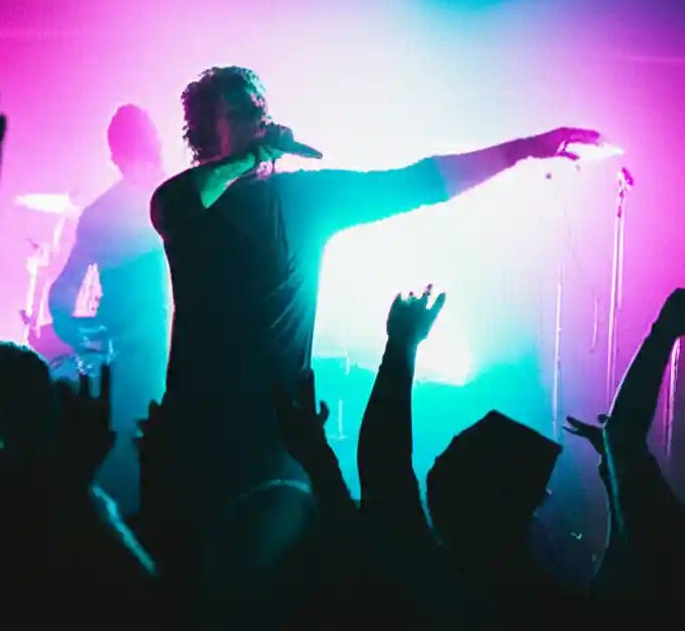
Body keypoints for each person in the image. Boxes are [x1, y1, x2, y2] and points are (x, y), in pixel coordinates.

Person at [150, 65, 600, 519]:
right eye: (241, 113)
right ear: (206, 132)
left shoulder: (305, 197)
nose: (259, 120)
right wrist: (250, 159)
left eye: (260, 109)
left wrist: (522, 150)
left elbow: (416, 183)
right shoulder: (188, 206)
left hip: (281, 435)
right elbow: (173, 204)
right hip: (202, 428)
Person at [48, 104, 169, 512]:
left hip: (135, 364)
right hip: (146, 363)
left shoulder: (105, 213)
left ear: (114, 156)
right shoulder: (180, 199)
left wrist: (86, 341)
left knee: (130, 476)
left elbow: (61, 296)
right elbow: (62, 295)